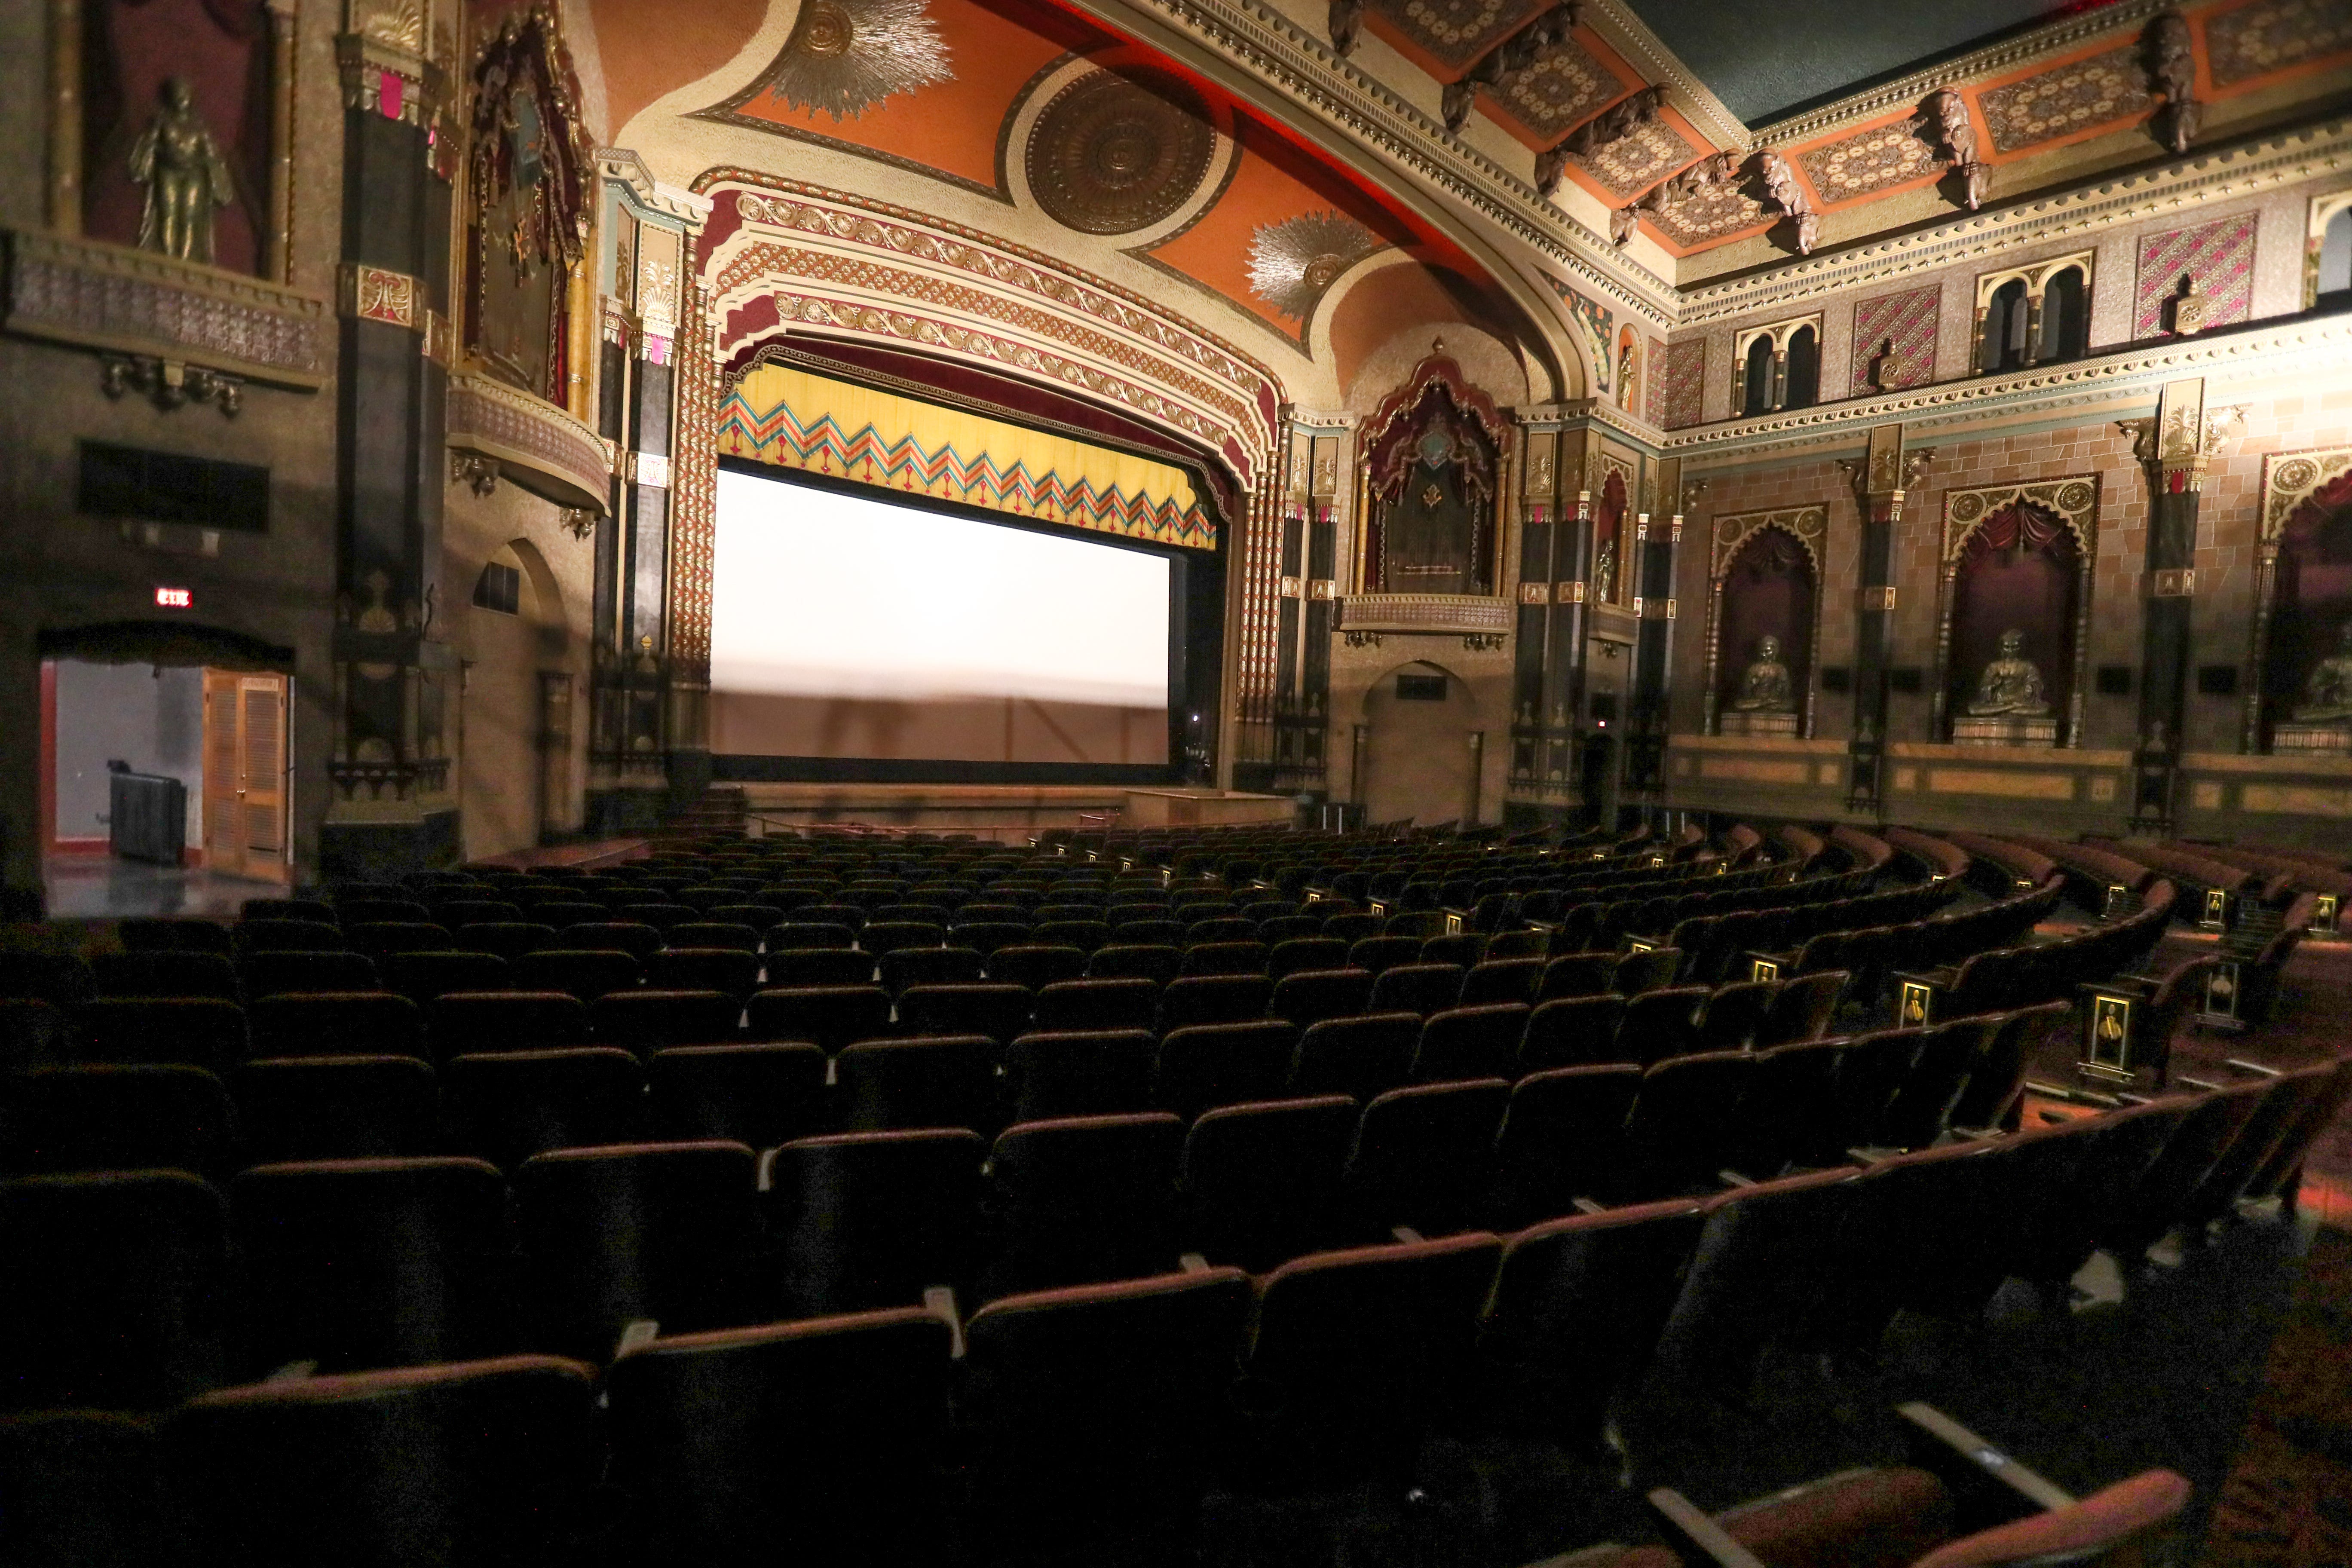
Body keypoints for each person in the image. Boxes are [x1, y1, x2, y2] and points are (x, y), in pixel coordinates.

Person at [130, 77, 236, 264]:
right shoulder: (162, 121)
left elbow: (211, 152)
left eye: (185, 93)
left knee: (189, 218)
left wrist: (215, 168)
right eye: (178, 93)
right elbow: (150, 142)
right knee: (168, 214)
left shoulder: (199, 126)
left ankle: (186, 262)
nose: (182, 97)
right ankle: (169, 259)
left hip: (193, 173)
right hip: (168, 170)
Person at [1965, 628, 2052, 717]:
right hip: (1999, 702)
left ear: (2022, 647)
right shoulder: (1994, 666)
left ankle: (2007, 709)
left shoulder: (2028, 666)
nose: (2011, 651)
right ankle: (2010, 708)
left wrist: (2031, 687)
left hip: (2021, 701)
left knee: (2044, 709)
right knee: (1973, 709)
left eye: (2015, 647)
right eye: (2007, 647)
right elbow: (1984, 687)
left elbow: (2036, 683)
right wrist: (1993, 686)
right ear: (2002, 648)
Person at [2290, 623, 2352, 722]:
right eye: (2347, 634)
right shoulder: (2332, 664)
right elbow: (2314, 687)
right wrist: (2323, 691)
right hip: (2339, 706)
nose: (2348, 636)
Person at [1729, 634, 1795, 711]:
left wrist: (1778, 692)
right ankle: (1765, 704)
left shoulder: (1780, 669)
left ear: (1775, 652)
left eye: (1767, 651)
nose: (1764, 655)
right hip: (1757, 701)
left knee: (1790, 704)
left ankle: (1766, 704)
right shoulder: (1754, 668)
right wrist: (1752, 683)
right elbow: (1746, 692)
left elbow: (1785, 692)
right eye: (1762, 652)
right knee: (1739, 704)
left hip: (1774, 701)